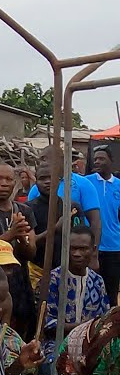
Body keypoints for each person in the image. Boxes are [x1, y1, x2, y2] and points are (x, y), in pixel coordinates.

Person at [43, 226, 109, 362]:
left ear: (93, 250)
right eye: (73, 248)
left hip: (90, 346)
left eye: (83, 249)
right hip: (57, 344)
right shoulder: (53, 279)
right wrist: (84, 327)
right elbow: (46, 323)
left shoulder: (98, 281)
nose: (77, 254)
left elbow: (105, 320)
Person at [26, 152, 102, 256]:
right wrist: (55, 228)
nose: (48, 182)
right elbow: (28, 245)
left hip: (67, 265)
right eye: (42, 178)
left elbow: (81, 239)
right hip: (37, 267)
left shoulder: (72, 207)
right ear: (36, 182)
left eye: (51, 178)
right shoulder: (27, 209)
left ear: (59, 180)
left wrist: (93, 256)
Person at [86, 147, 120, 304]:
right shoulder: (87, 182)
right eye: (95, 159)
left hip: (114, 247)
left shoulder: (118, 185)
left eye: (101, 158)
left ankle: (110, 326)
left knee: (111, 291)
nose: (97, 161)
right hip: (90, 246)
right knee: (90, 291)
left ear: (111, 162)